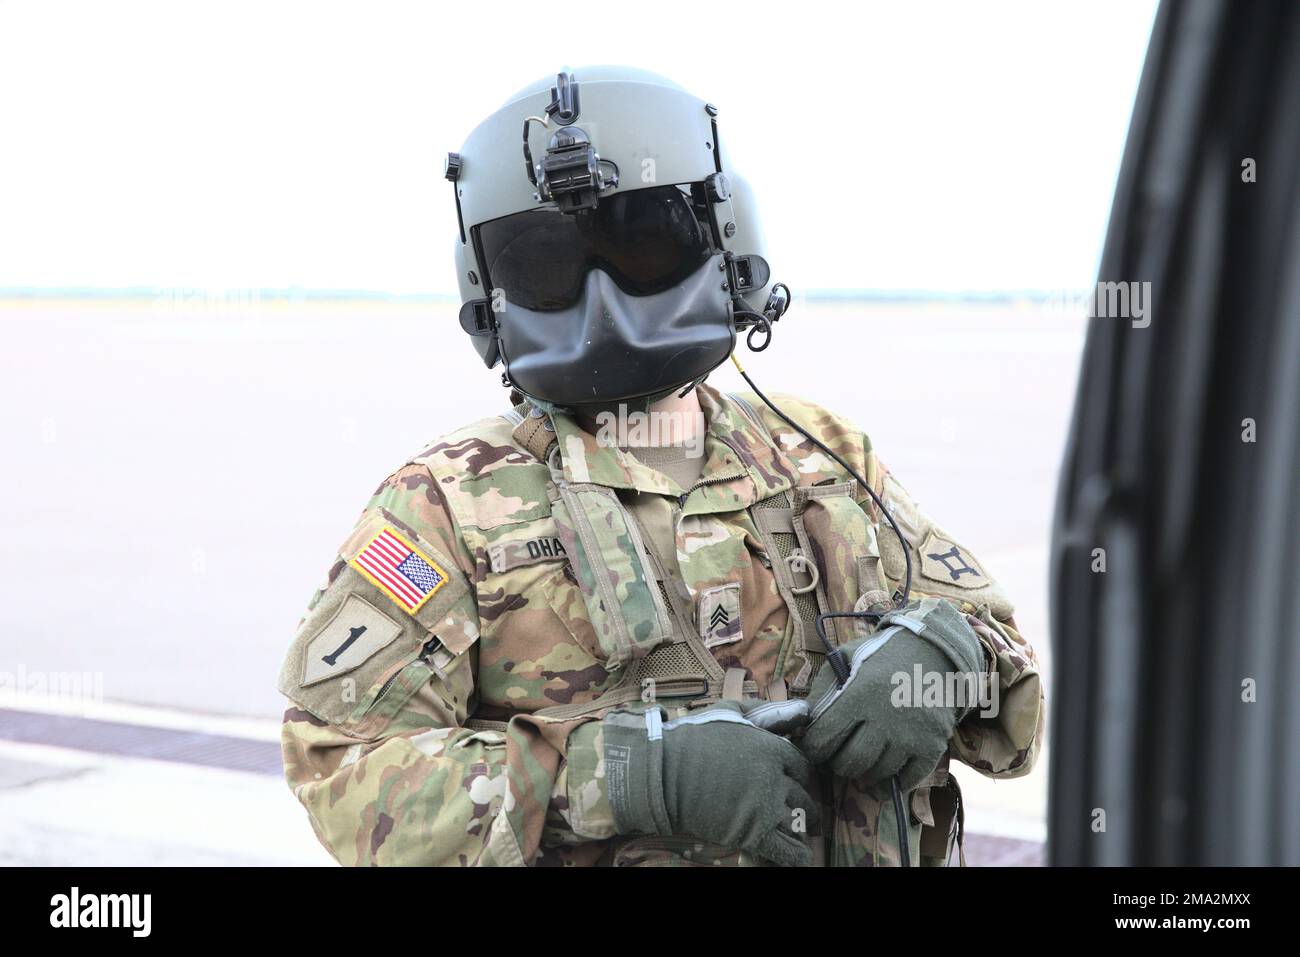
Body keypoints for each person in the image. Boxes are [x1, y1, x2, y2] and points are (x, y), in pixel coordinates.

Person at [277, 66, 1044, 866]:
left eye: (643, 241)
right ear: (493, 288)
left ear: (723, 242)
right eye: (547, 263)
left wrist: (942, 657)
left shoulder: (821, 453)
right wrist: (625, 776)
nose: (601, 296)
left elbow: (1003, 664)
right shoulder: (446, 501)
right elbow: (345, 771)